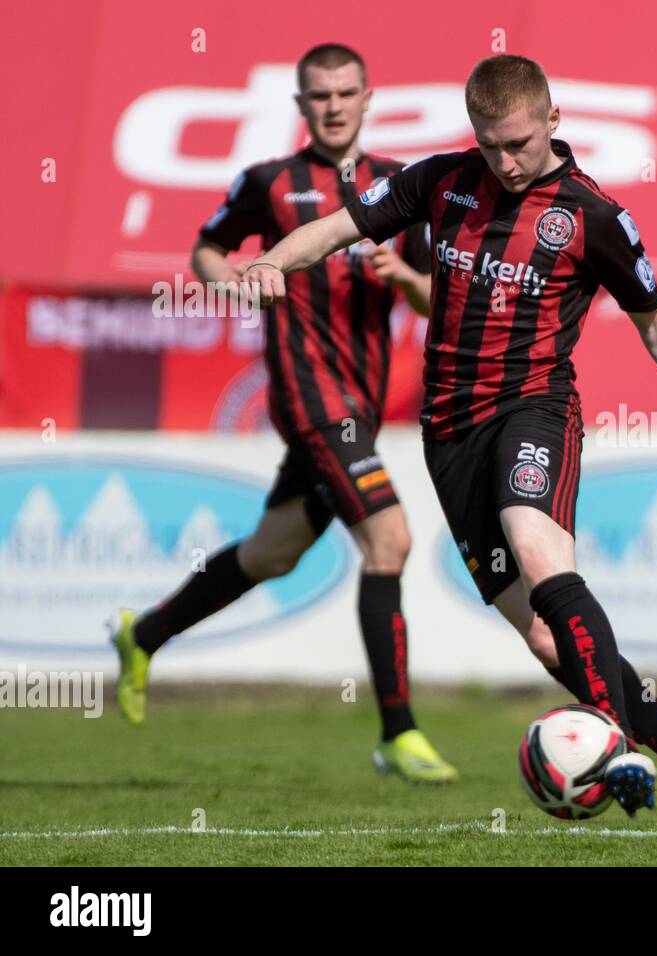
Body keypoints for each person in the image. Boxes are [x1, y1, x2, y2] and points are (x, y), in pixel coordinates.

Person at [240, 54, 657, 825]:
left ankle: (612, 740)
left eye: (518, 143)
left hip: (533, 408)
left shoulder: (592, 215)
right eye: (491, 145)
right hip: (448, 434)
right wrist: (273, 259)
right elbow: (339, 228)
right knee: (551, 644)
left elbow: (654, 320)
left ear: (552, 123)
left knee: (538, 544)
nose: (506, 162)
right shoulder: (443, 180)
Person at [109, 43, 458, 785]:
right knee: (389, 539)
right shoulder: (268, 182)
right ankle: (399, 733)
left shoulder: (405, 186)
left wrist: (404, 276)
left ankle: (145, 633)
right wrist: (236, 283)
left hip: (359, 405)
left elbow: (437, 300)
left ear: (369, 98)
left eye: (345, 93)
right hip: (308, 397)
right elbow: (207, 249)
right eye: (318, 95)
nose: (333, 106)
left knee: (272, 554)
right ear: (301, 106)